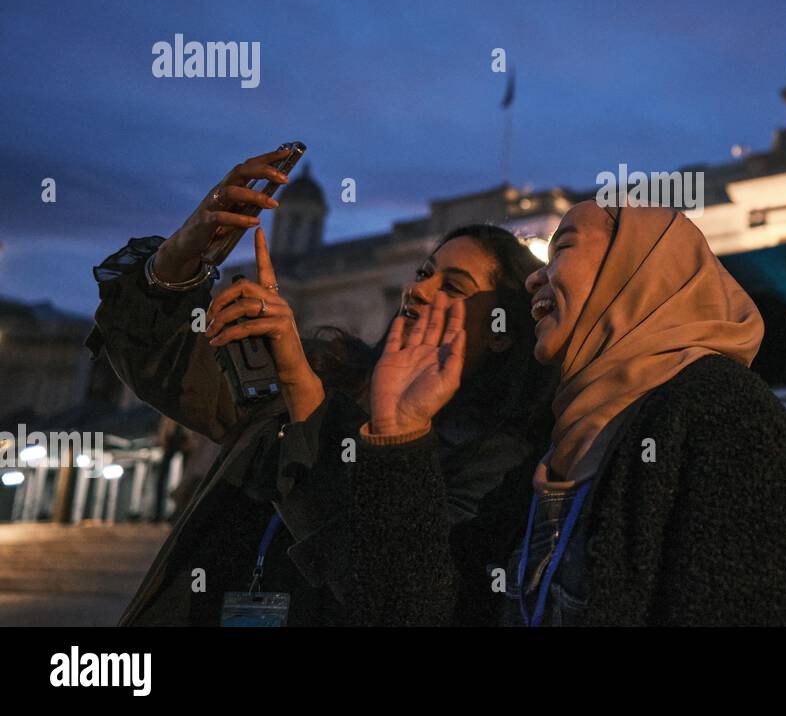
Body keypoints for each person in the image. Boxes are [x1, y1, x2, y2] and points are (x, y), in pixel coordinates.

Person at [89, 149, 551, 625]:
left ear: (501, 330)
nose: (417, 291)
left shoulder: (497, 462)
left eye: (453, 287)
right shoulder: (330, 369)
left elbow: (400, 592)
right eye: (422, 274)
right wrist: (179, 258)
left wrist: (302, 388)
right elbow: (168, 367)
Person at [349, 200, 786, 626]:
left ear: (639, 272)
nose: (535, 276)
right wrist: (400, 430)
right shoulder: (552, 454)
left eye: (562, 249)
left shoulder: (728, 420)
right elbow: (427, 610)